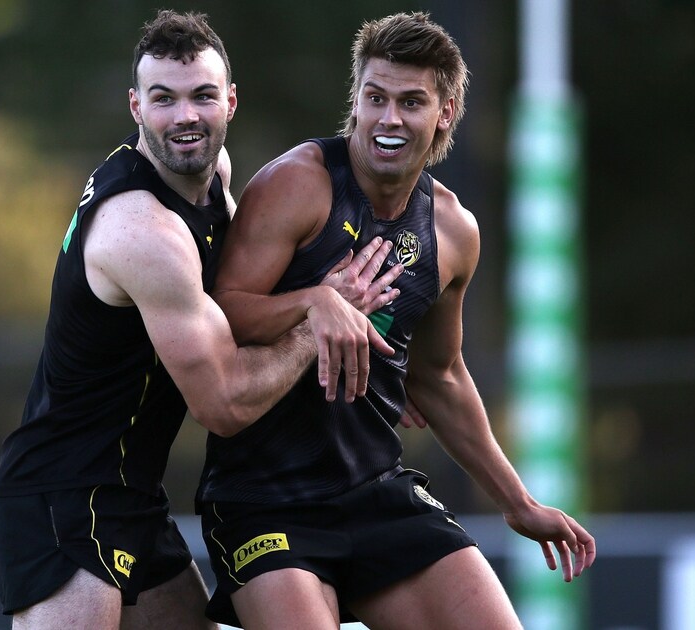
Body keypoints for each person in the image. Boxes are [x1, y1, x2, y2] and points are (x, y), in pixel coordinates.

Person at [0, 10, 400, 629]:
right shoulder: (143, 231)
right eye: (164, 99)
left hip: (134, 492)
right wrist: (321, 316)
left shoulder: (213, 178)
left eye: (203, 96)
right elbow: (226, 404)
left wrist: (360, 341)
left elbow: (241, 306)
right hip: (63, 495)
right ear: (135, 107)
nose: (185, 117)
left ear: (230, 101)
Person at [197, 12, 597, 629]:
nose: (389, 119)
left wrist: (517, 503)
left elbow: (440, 376)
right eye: (375, 98)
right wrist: (314, 301)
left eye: (411, 102)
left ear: (446, 111)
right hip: (264, 503)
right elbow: (221, 313)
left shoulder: (453, 231)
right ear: (354, 103)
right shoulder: (297, 185)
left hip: (374, 491)